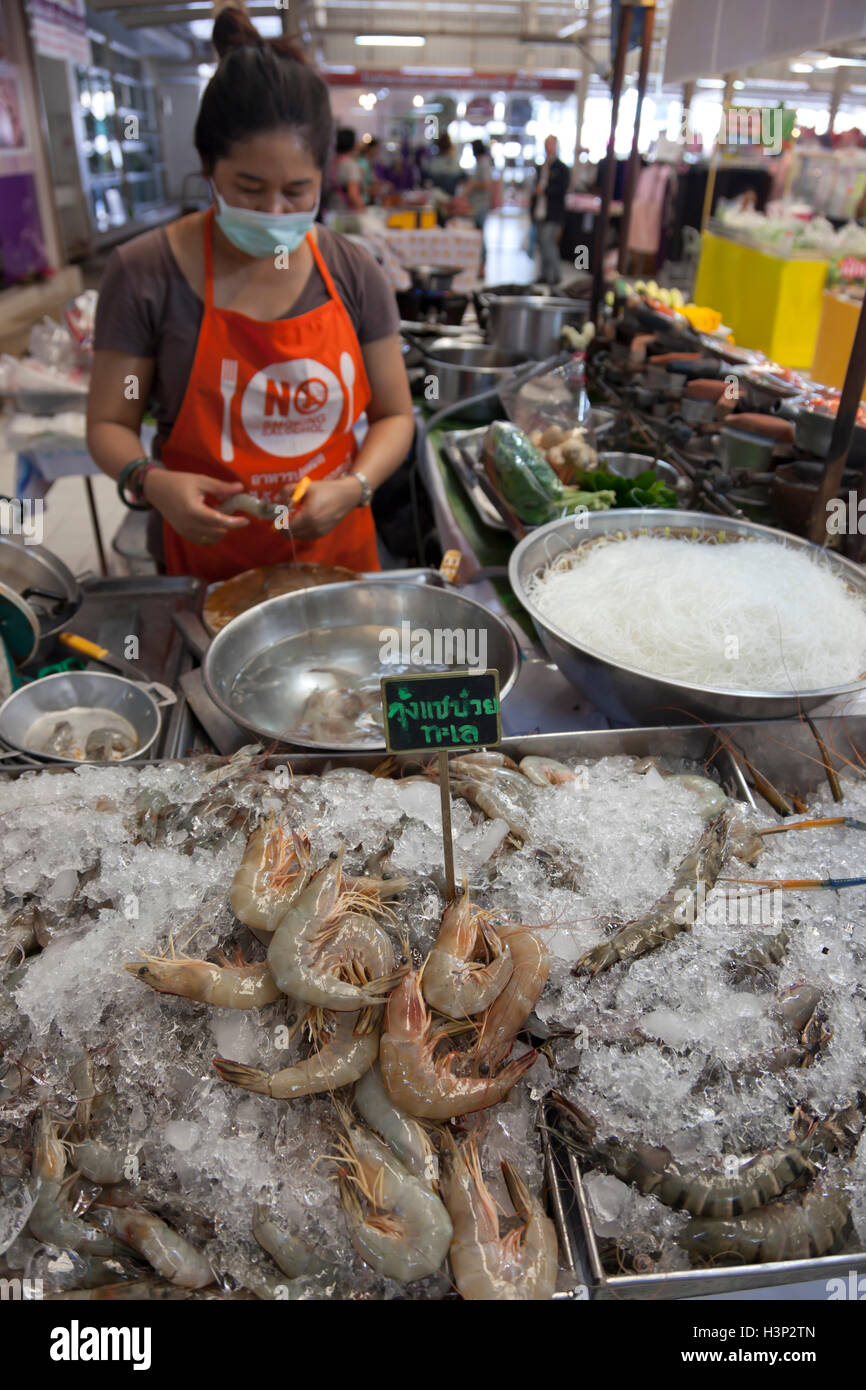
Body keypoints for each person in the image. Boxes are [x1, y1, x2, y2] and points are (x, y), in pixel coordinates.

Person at [86, 6, 413, 582]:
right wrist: (151, 481)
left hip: (334, 559)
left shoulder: (354, 272)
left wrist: (355, 486)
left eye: (297, 190)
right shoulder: (144, 272)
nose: (273, 212)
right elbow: (110, 422)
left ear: (324, 177)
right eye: (249, 187)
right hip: (206, 563)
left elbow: (395, 415)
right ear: (208, 166)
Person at [531, 134, 570, 286]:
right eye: (546, 144)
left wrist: (544, 190)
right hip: (540, 211)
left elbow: (561, 190)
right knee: (541, 244)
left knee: (548, 243)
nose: (548, 147)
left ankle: (555, 274)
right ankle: (544, 274)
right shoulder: (541, 166)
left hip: (553, 213)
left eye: (551, 144)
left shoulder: (561, 168)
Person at [329, 127, 365, 212]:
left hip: (331, 210)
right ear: (352, 144)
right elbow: (353, 194)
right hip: (346, 212)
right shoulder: (350, 164)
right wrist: (363, 211)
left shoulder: (332, 161)